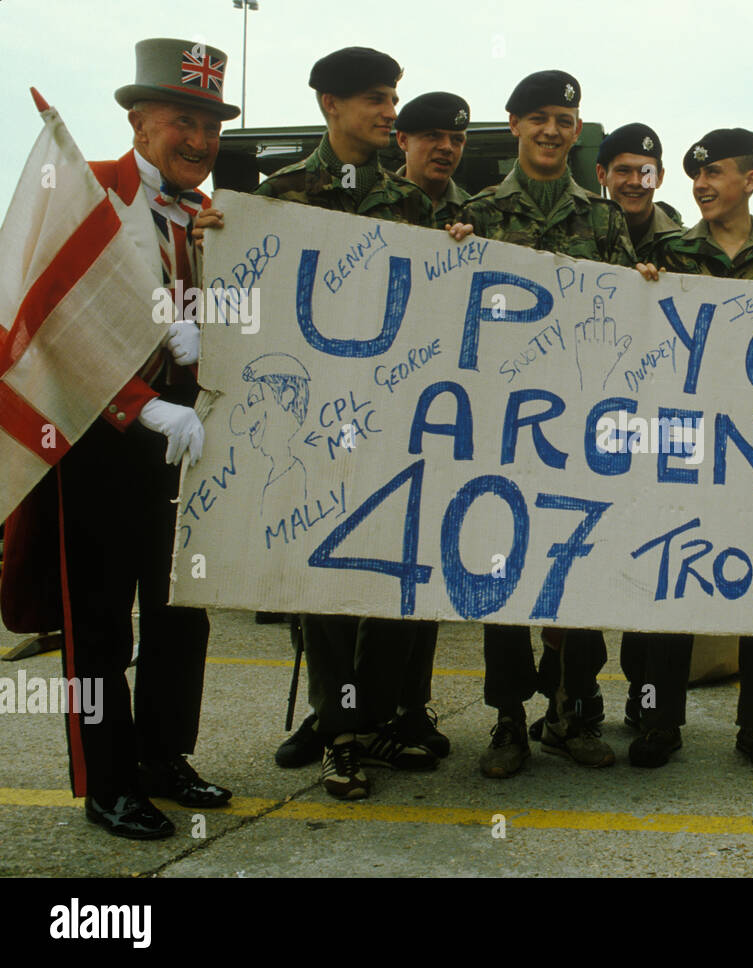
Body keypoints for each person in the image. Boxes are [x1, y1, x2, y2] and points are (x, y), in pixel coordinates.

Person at [0, 37, 237, 839]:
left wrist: (217, 334)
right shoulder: (86, 192)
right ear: (138, 122)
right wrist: (140, 404)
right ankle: (108, 783)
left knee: (182, 613)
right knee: (99, 624)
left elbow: (251, 322)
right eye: (182, 122)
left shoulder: (215, 216)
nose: (199, 141)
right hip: (98, 440)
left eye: (211, 127)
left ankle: (164, 757)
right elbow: (55, 325)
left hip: (189, 442)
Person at [246, 47, 447, 798]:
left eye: (392, 97)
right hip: (314, 428)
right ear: (330, 104)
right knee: (323, 588)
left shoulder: (412, 205)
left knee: (392, 582)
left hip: (394, 422)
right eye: (375, 99)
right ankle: (337, 732)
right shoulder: (279, 194)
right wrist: (216, 242)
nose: (390, 111)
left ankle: (374, 717)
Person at [460, 69, 637, 778]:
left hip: (579, 428)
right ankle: (508, 718)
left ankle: (568, 713)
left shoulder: (604, 221)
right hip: (498, 425)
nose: (551, 131)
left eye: (564, 120)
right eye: (538, 118)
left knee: (575, 569)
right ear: (514, 125)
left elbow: (630, 317)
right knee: (498, 568)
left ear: (576, 130)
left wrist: (647, 286)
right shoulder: (476, 213)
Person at [636, 127, 753, 770]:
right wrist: (640, 288)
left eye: (713, 174)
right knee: (673, 578)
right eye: (695, 177)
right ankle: (659, 721)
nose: (701, 186)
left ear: (750, 180)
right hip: (685, 441)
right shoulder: (669, 251)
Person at [595, 122, 683, 263]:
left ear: (659, 178)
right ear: (602, 175)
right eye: (623, 171)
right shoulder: (580, 239)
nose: (635, 182)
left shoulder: (687, 249)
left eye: (646, 172)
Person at [394, 91, 472, 227]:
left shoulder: (474, 213)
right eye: (433, 136)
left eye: (457, 139)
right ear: (403, 140)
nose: (447, 147)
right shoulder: (372, 201)